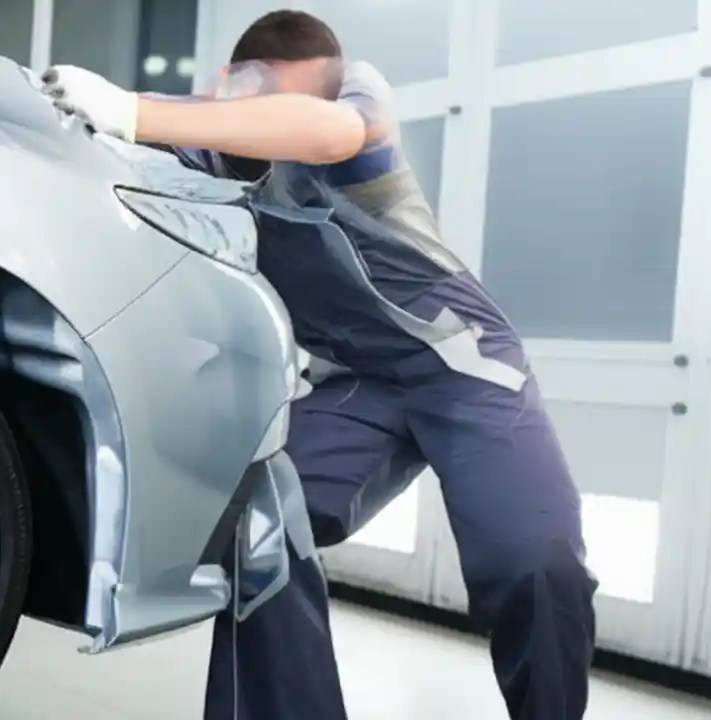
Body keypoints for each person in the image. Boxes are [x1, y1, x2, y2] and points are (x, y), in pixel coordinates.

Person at [43, 10, 598, 720]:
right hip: (360, 386)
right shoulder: (195, 161)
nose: (288, 114)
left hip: (466, 366)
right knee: (256, 521)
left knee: (535, 559)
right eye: (273, 98)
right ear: (229, 83)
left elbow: (328, 131)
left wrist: (131, 108)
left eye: (300, 101)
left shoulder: (352, 95)